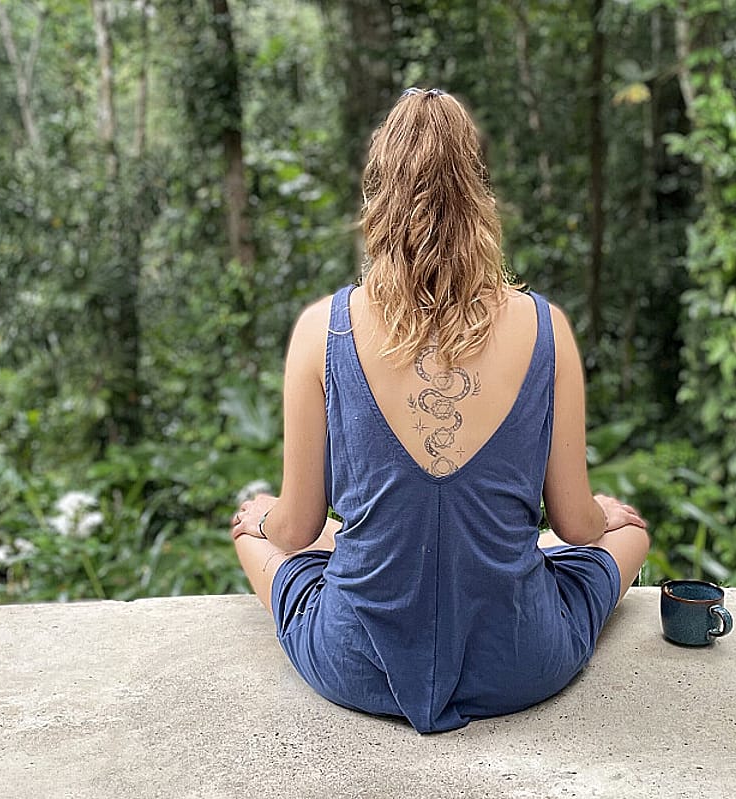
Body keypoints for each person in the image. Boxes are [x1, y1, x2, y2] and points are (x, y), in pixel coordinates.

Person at [229, 88, 650, 733]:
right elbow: (575, 526)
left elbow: (293, 531)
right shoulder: (547, 328)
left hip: (358, 664)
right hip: (522, 661)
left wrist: (261, 519)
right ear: (478, 195)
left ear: (378, 196)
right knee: (630, 535)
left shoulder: (323, 330)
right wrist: (608, 518)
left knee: (265, 542)